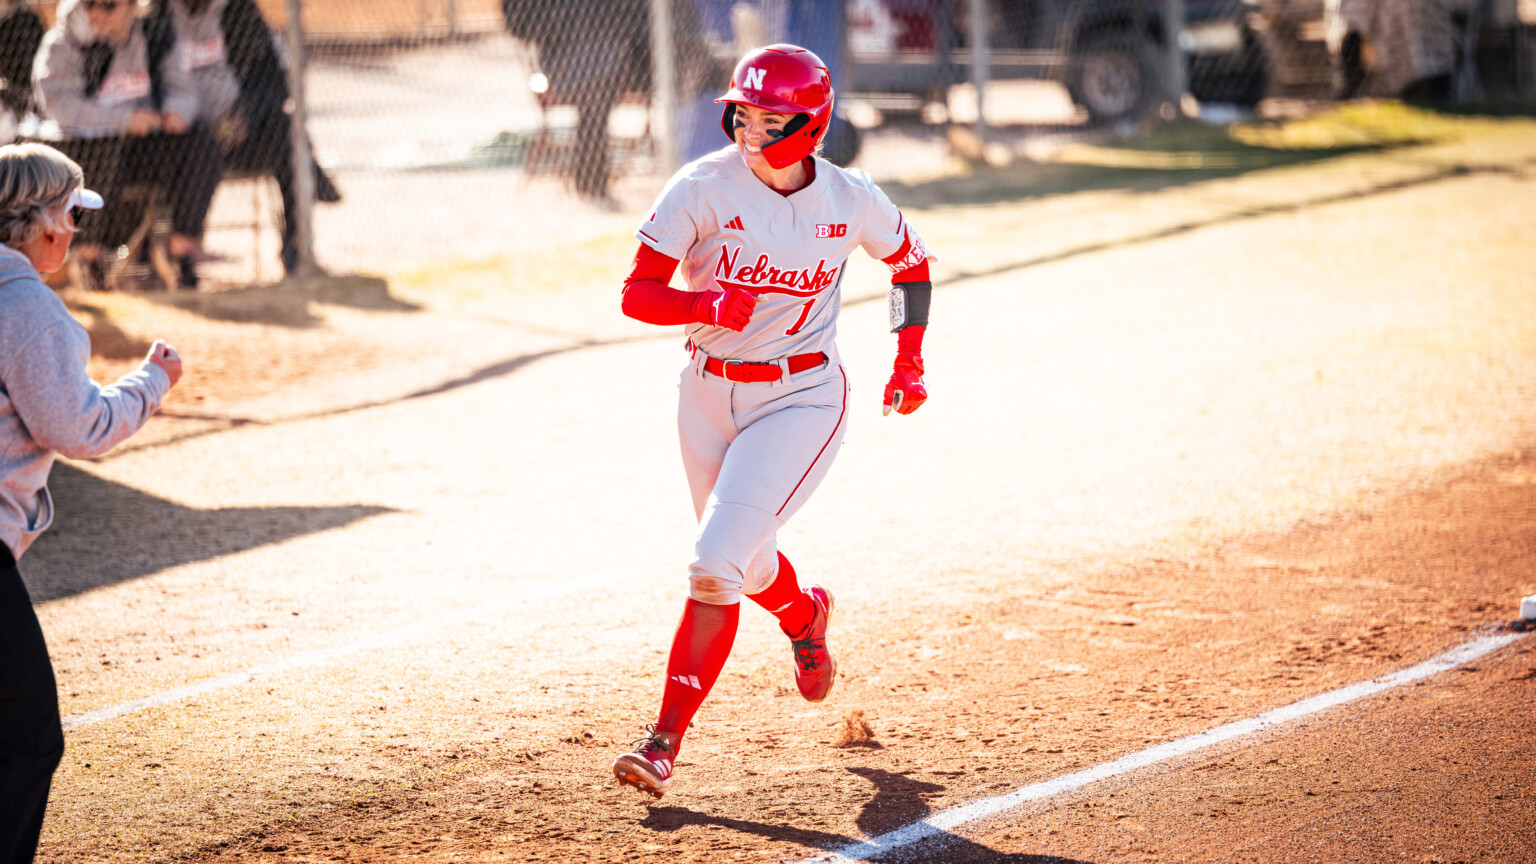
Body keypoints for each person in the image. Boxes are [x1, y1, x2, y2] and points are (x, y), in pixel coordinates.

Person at [609, 43, 932, 800]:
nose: (752, 131)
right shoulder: (701, 187)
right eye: (743, 115)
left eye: (772, 118)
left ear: (813, 123)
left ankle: (662, 743)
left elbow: (910, 266)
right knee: (744, 564)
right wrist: (699, 305)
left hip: (801, 399)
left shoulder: (848, 199)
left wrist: (907, 359)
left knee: (714, 562)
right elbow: (636, 293)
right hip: (705, 394)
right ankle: (803, 614)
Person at [0, 141, 181, 864]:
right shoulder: (26, 309)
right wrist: (152, 382)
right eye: (72, 213)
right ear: (40, 223)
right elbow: (77, 426)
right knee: (27, 738)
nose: (76, 230)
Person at [33, 0, 223, 288]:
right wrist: (124, 120)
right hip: (82, 150)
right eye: (89, 4)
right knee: (106, 148)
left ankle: (179, 250)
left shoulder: (152, 36)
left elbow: (182, 85)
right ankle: (89, 256)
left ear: (133, 6)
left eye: (109, 5)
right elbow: (61, 107)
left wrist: (177, 111)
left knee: (199, 140)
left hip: (139, 143)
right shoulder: (63, 42)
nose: (97, 12)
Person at [148, 0, 339, 276]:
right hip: (184, 138)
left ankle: (295, 249)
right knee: (191, 143)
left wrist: (242, 116)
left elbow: (273, 82)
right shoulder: (159, 15)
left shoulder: (238, 11)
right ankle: (179, 260)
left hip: (234, 132)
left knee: (284, 130)